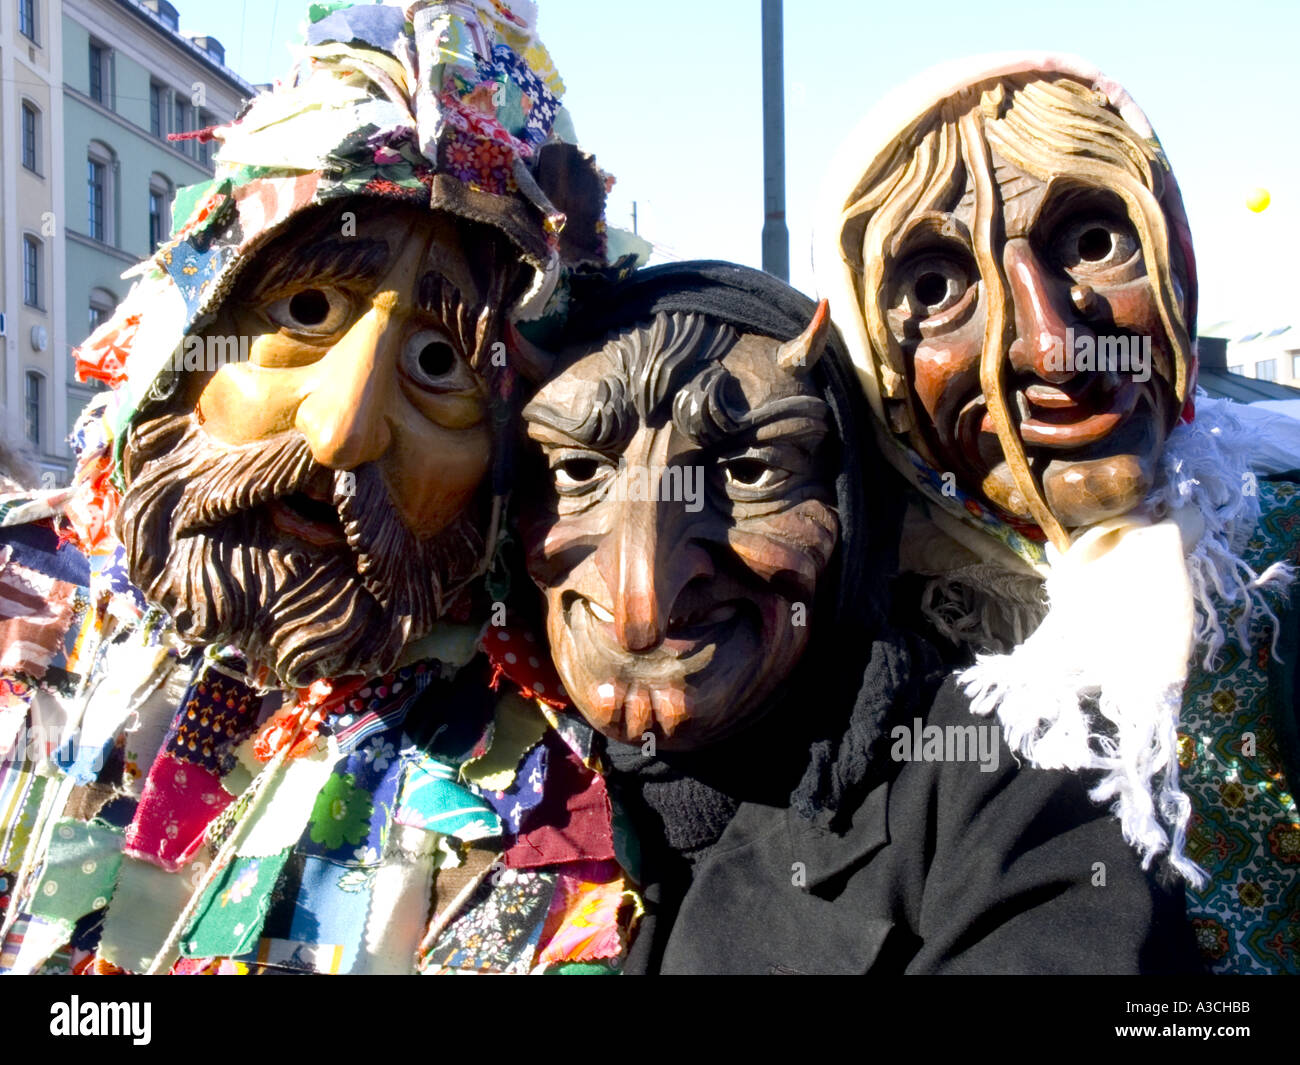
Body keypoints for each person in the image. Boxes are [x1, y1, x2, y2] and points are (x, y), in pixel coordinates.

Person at [0, 0, 639, 976]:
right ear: (177, 340)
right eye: (306, 308)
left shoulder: (550, 815)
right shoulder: (27, 631)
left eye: (438, 364)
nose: (342, 429)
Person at [516, 260, 1200, 973]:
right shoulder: (483, 771)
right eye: (578, 471)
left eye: (749, 473)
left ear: (851, 509)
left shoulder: (1000, 780)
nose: (642, 603)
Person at [814, 53, 1300, 974]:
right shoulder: (867, 640)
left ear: (1181, 264)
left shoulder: (1277, 553)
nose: (1052, 345)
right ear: (879, 373)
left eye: (1090, 241)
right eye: (934, 290)